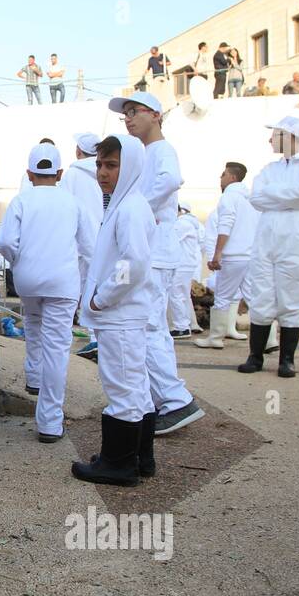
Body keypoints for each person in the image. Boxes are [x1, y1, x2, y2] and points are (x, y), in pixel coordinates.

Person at [110, 92, 204, 436]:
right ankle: (158, 398)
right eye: (126, 115)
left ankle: (176, 400)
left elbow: (170, 181)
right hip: (152, 250)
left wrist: (133, 214)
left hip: (157, 251)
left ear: (156, 114)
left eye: (135, 112)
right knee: (153, 327)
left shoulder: (162, 150)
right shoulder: (144, 152)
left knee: (147, 326)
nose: (129, 119)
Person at [71, 135, 156, 486]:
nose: (102, 173)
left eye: (111, 165)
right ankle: (138, 457)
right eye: (99, 165)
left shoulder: (130, 208)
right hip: (124, 314)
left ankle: (117, 463)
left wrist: (100, 298)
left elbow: (133, 264)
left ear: (130, 166)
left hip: (119, 314)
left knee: (121, 386)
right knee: (136, 386)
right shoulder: (124, 204)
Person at [0, 143, 92, 442]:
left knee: (34, 327)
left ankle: (33, 377)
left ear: (29, 172)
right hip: (63, 282)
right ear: (60, 173)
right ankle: (50, 422)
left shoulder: (21, 201)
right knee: (57, 347)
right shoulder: (73, 203)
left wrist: (19, 261)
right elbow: (90, 248)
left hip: (28, 279)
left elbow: (5, 241)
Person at [238, 116, 299, 379]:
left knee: (292, 299)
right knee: (261, 297)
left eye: (275, 135)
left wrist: (275, 195)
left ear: (290, 136)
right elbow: (256, 197)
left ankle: (287, 360)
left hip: (298, 242)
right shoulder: (269, 170)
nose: (270, 140)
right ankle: (255, 356)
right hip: (266, 242)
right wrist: (288, 195)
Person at [195, 162, 257, 349]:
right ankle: (269, 339)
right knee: (255, 299)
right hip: (251, 255)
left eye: (223, 175)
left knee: (222, 297)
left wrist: (218, 253)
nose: (220, 179)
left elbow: (225, 225)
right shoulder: (253, 199)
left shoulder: (229, 197)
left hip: (233, 256)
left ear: (231, 177)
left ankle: (215, 338)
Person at [63, 132, 104, 362]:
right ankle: (98, 337)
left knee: (78, 290)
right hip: (104, 238)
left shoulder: (73, 174)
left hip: (80, 241)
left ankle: (89, 337)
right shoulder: (107, 171)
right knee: (99, 289)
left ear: (79, 150)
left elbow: (66, 208)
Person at [169, 203, 203, 336]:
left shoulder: (181, 224)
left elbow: (171, 240)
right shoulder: (189, 223)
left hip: (182, 265)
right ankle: (184, 324)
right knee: (182, 295)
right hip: (187, 264)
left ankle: (181, 326)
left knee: (176, 295)